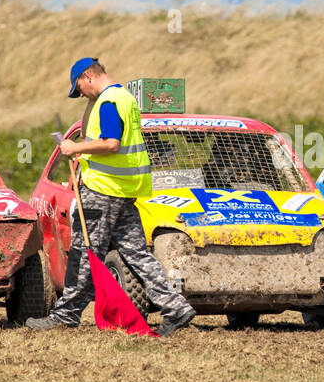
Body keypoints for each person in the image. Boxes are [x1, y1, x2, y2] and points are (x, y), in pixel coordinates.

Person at [26, 57, 197, 337]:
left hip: (102, 192)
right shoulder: (124, 98)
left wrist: (74, 147)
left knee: (83, 253)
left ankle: (66, 314)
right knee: (138, 254)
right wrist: (86, 131)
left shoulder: (108, 102)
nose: (80, 94)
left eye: (78, 88)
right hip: (124, 192)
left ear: (88, 76)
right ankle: (175, 307)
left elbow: (111, 143)